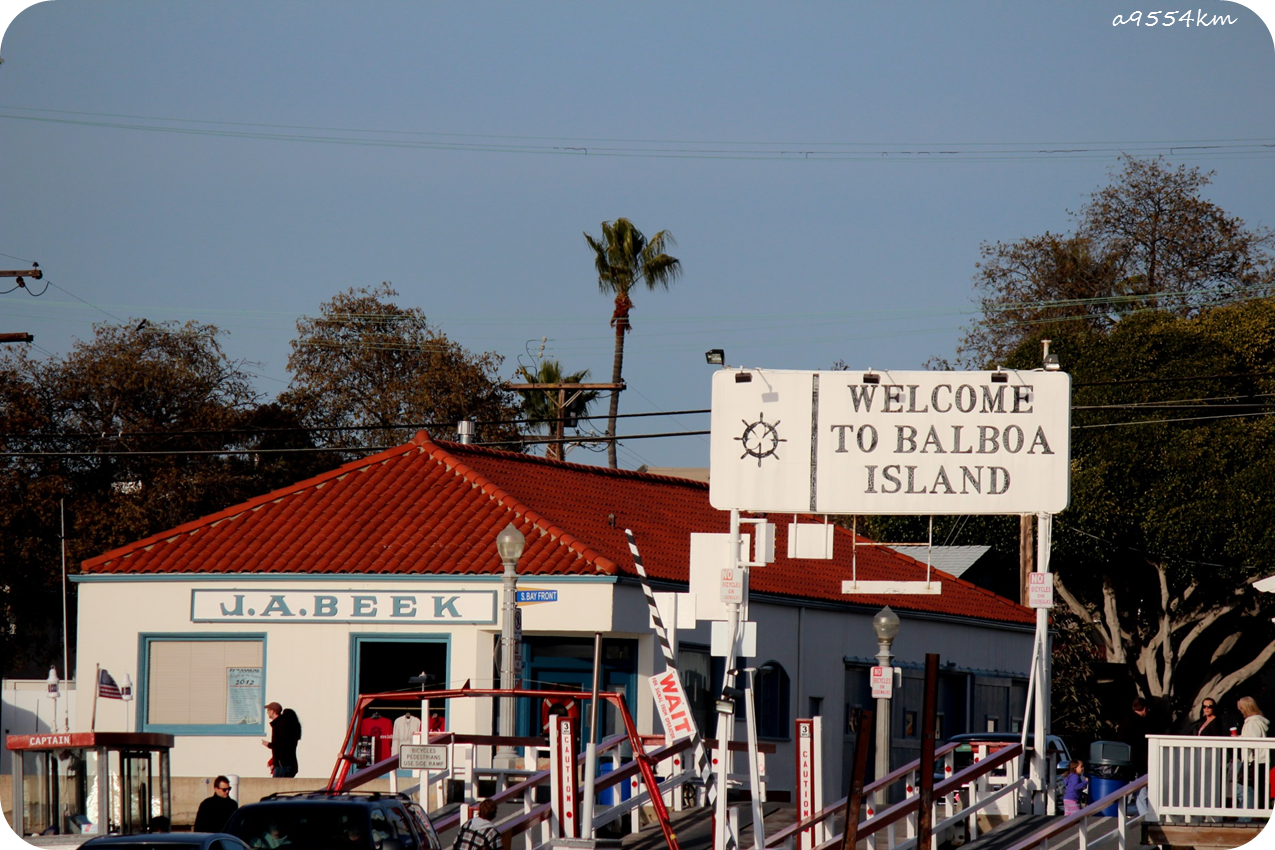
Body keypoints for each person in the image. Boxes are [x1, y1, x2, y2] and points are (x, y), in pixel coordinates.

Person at [1237, 696, 1269, 813]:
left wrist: (1238, 739)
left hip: (1253, 761)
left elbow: (1252, 741)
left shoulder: (1252, 723)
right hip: (1258, 761)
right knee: (1253, 789)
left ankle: (1246, 816)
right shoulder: (1257, 722)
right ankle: (1251, 814)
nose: (1240, 711)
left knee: (1244, 789)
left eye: (1241, 708)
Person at [262, 702, 302, 778]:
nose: (267, 712)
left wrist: (269, 745)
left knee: (277, 788)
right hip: (285, 764)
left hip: (283, 765)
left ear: (273, 711)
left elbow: (281, 745)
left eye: (268, 710)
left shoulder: (280, 725)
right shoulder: (283, 724)